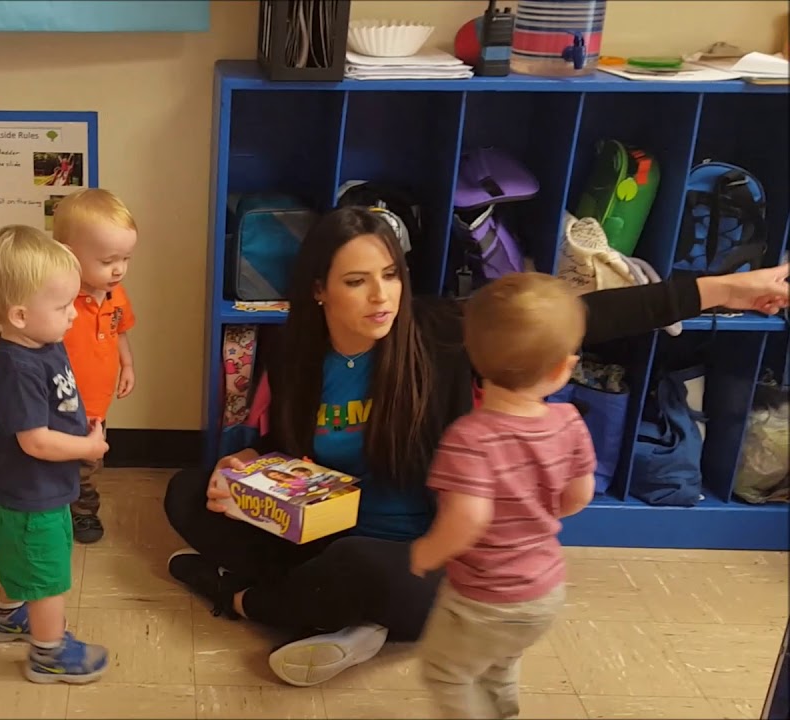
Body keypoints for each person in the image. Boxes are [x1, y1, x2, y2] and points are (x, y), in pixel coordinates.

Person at [162, 206, 790, 688]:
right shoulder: (297, 354)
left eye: (390, 276)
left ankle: (245, 598)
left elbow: (583, 314)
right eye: (357, 281)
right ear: (320, 290)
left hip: (420, 558)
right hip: (326, 534)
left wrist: (723, 291)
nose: (382, 296)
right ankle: (339, 615)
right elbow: (286, 450)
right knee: (188, 493)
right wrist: (245, 467)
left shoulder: (441, 331)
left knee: (371, 571)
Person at [411, 273, 597, 719]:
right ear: (561, 369)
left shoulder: (470, 438)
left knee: (446, 673)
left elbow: (468, 519)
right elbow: (579, 495)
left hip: (484, 598)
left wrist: (428, 551)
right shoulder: (569, 421)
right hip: (545, 590)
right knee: (499, 664)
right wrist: (540, 513)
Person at [0, 225, 110, 684]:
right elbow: (35, 442)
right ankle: (49, 654)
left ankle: (7, 615)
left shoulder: (42, 343)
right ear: (19, 315)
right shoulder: (17, 368)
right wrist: (89, 448)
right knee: (47, 576)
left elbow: (58, 401)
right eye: (63, 305)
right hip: (31, 499)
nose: (73, 314)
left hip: (29, 493)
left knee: (22, 561)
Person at [53, 189, 139, 544]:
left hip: (97, 403)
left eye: (126, 258)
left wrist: (127, 364)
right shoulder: (59, 299)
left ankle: (84, 511)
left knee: (89, 461)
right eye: (107, 261)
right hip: (60, 401)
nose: (119, 269)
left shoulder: (116, 293)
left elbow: (119, 331)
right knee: (58, 458)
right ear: (70, 255)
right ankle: (55, 509)